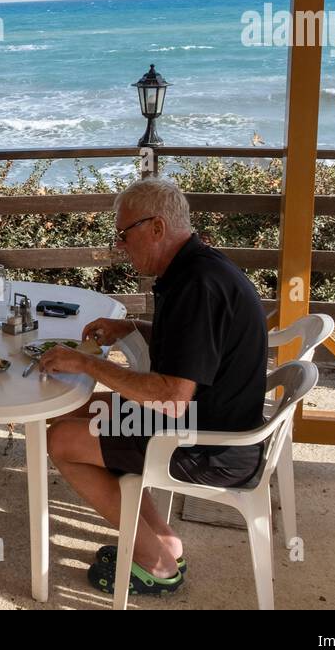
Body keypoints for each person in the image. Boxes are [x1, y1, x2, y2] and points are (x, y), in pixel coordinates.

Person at [42, 176, 267, 599]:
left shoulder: (196, 286)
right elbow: (194, 347)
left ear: (157, 228)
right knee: (75, 411)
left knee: (61, 440)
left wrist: (83, 361)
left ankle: (159, 565)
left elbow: (170, 397)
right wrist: (133, 327)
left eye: (124, 235)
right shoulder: (199, 267)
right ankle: (162, 542)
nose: (120, 246)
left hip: (210, 444)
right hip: (209, 420)